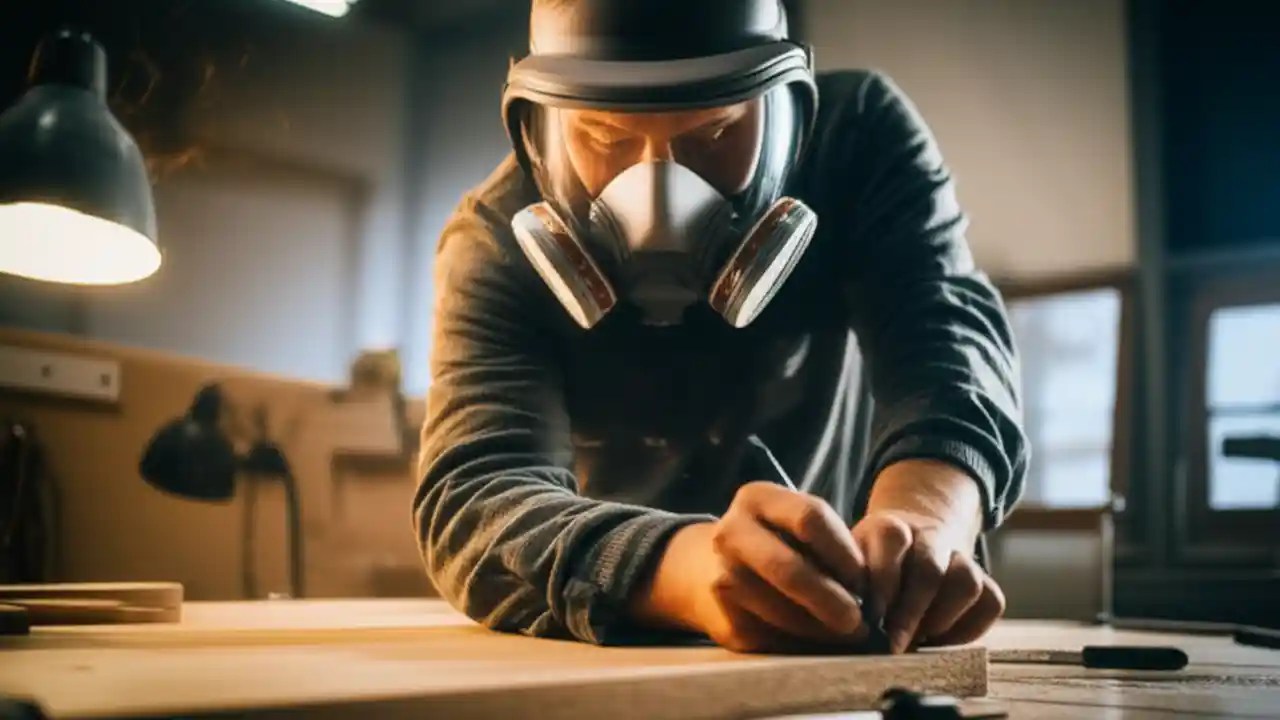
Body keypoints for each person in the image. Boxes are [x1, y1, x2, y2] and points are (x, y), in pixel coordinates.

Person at [415, 0, 1028, 654]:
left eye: (713, 135)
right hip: (623, 635)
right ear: (538, 130)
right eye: (602, 138)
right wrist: (682, 570)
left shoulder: (856, 140)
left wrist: (921, 523)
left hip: (849, 618)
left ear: (786, 113)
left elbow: (946, 345)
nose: (655, 200)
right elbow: (476, 496)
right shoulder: (493, 244)